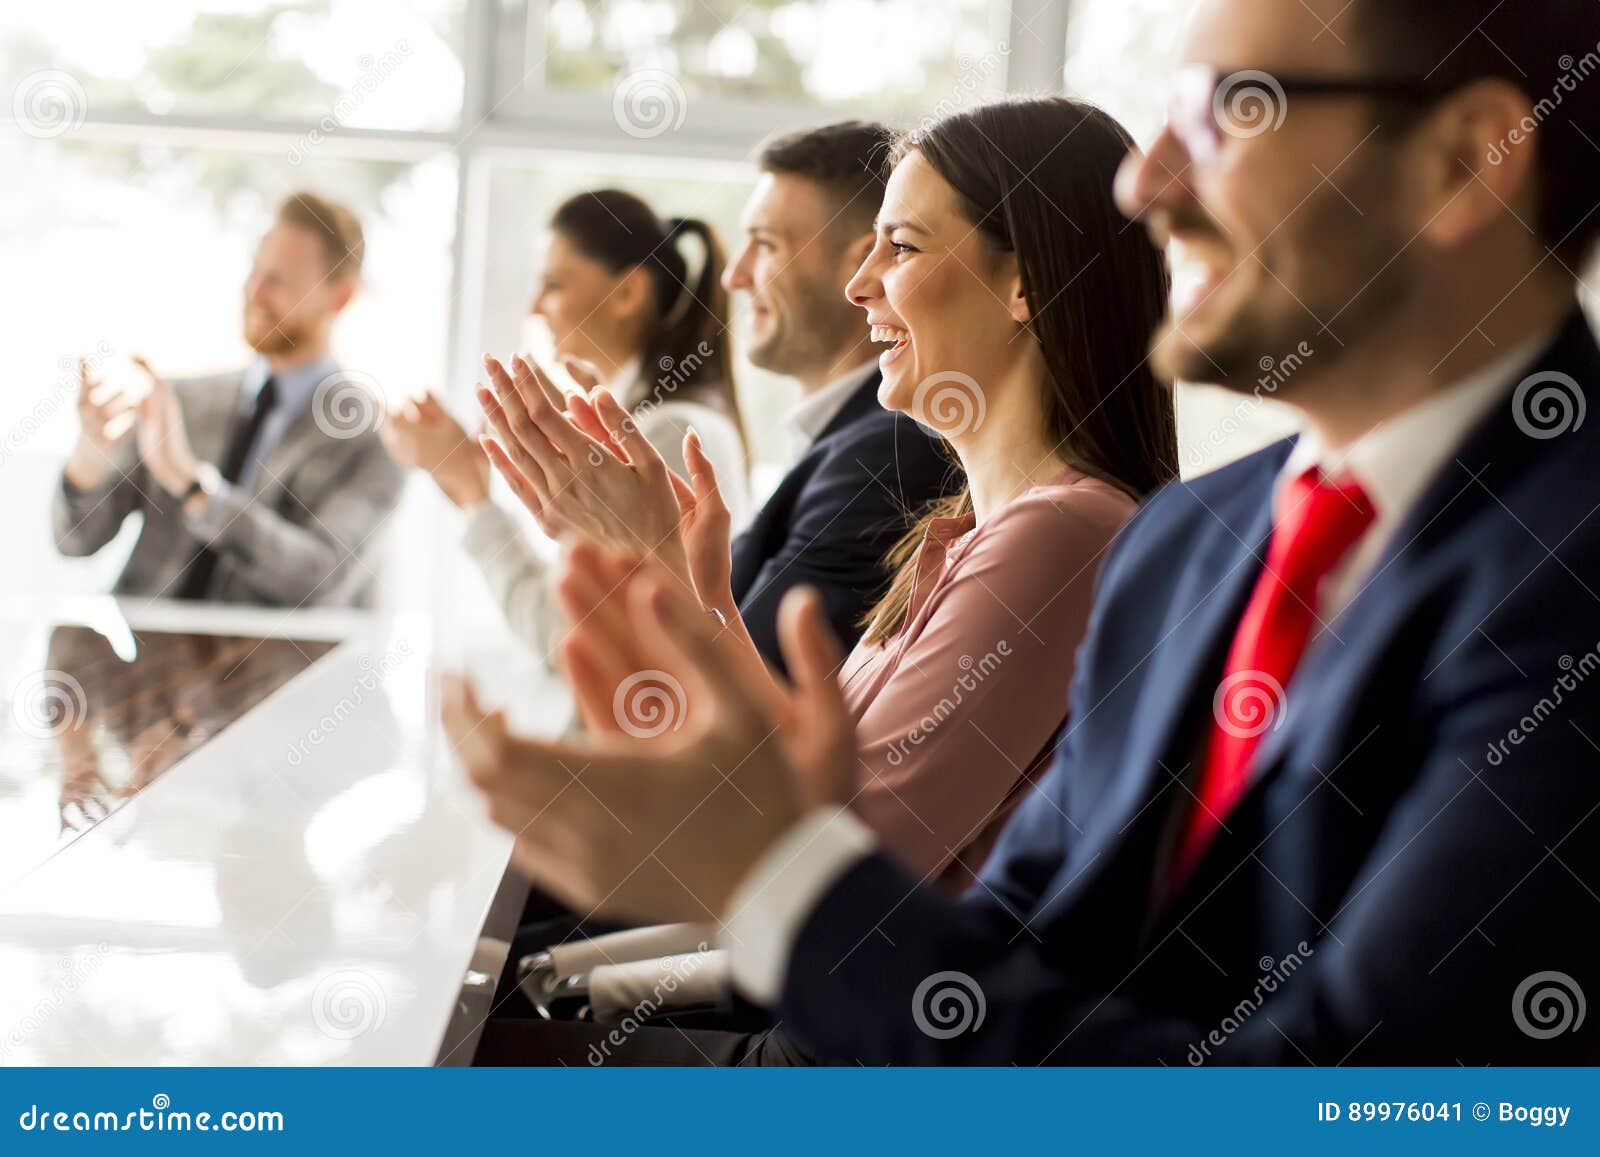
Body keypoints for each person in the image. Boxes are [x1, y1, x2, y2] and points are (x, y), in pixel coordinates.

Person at [448, 0, 1600, 1066]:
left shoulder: (1568, 578)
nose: (1146, 182)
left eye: (1226, 113)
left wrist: (774, 875)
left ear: (1466, 160)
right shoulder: (1188, 541)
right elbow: (1003, 951)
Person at [478, 95, 1176, 891]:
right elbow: (796, 771)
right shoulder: (969, 532)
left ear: (1024, 283)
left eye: (901, 247)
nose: (860, 286)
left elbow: (829, 862)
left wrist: (656, 567)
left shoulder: (1058, 533)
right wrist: (682, 572)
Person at [381, 189, 750, 659]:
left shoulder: (666, 435)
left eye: (554, 285)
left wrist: (473, 496)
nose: (535, 307)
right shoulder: (665, 421)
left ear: (628, 293)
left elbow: (567, 642)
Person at [53, 192, 401, 607]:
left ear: (340, 298)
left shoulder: (372, 441)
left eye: (279, 280)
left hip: (270, 650)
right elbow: (74, 541)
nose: (254, 291)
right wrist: (88, 465)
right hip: (140, 642)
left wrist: (195, 488)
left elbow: (319, 580)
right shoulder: (182, 401)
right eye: (255, 270)